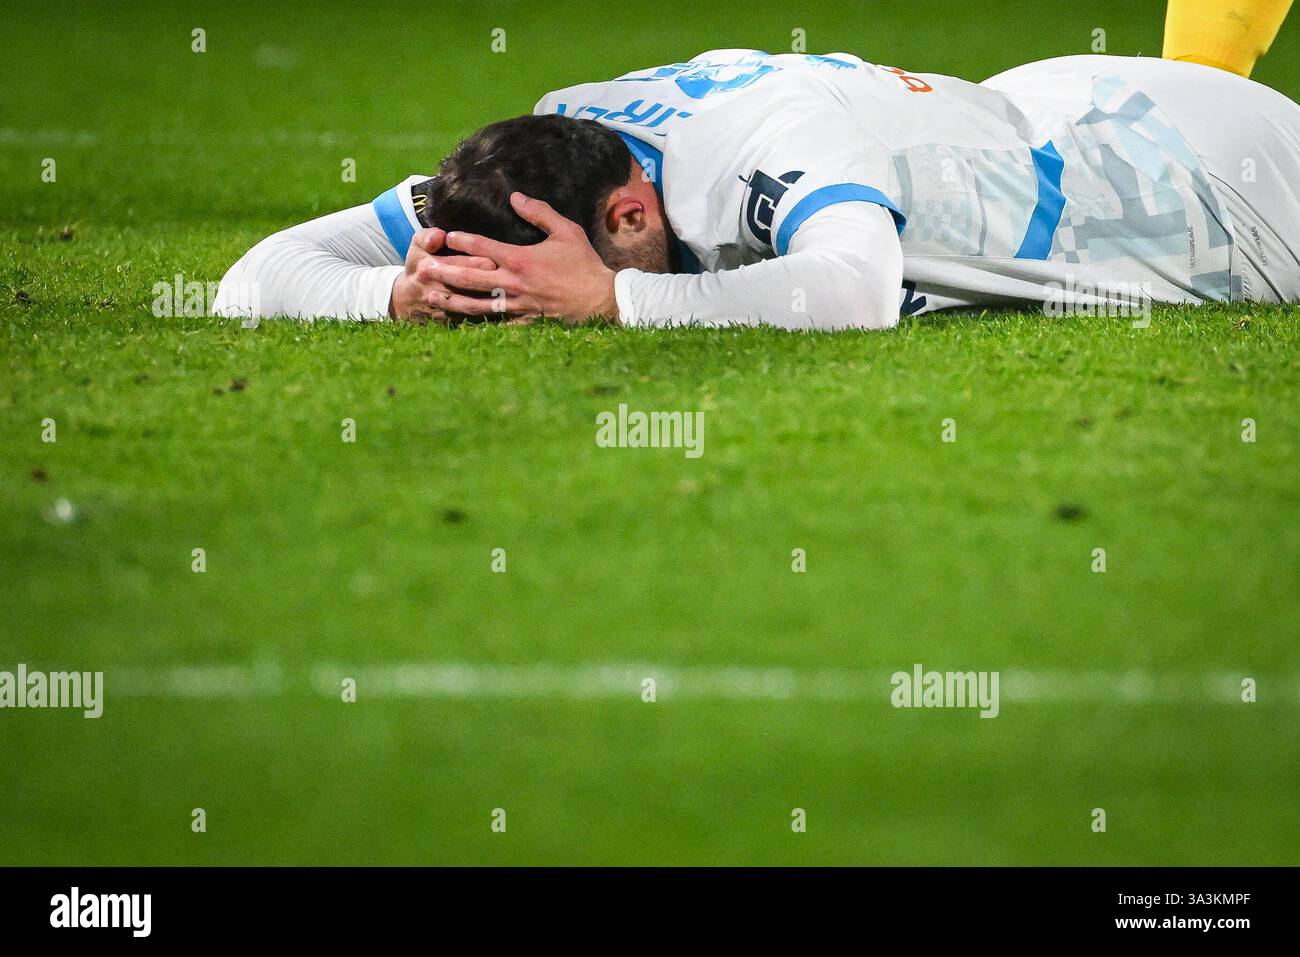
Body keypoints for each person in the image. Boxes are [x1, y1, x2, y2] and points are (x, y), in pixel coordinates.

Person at [214, 50, 1300, 330]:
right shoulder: (552, 156)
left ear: (630, 218)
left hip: (1209, 192)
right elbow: (252, 279)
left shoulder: (764, 155)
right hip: (1044, 109)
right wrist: (394, 296)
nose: (528, 311)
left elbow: (855, 292)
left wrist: (612, 302)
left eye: (531, 293)